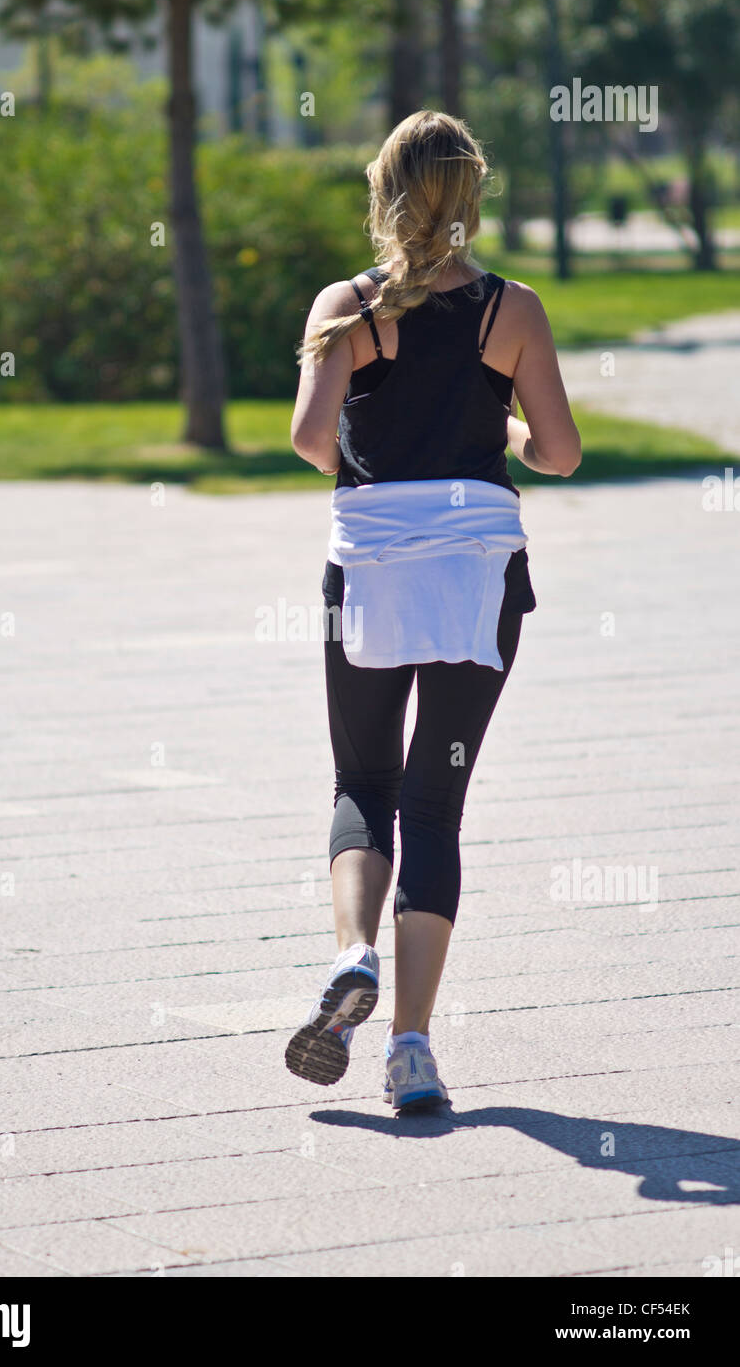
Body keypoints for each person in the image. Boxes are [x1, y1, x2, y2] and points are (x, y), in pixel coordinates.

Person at [285, 111, 581, 1111]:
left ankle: (350, 952)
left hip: (369, 566)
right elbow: (561, 451)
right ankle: (410, 1047)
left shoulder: (348, 304)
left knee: (362, 777)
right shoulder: (514, 308)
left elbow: (311, 440)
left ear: (386, 191)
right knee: (435, 803)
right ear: (473, 194)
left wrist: (376, 447)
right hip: (478, 572)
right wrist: (501, 426)